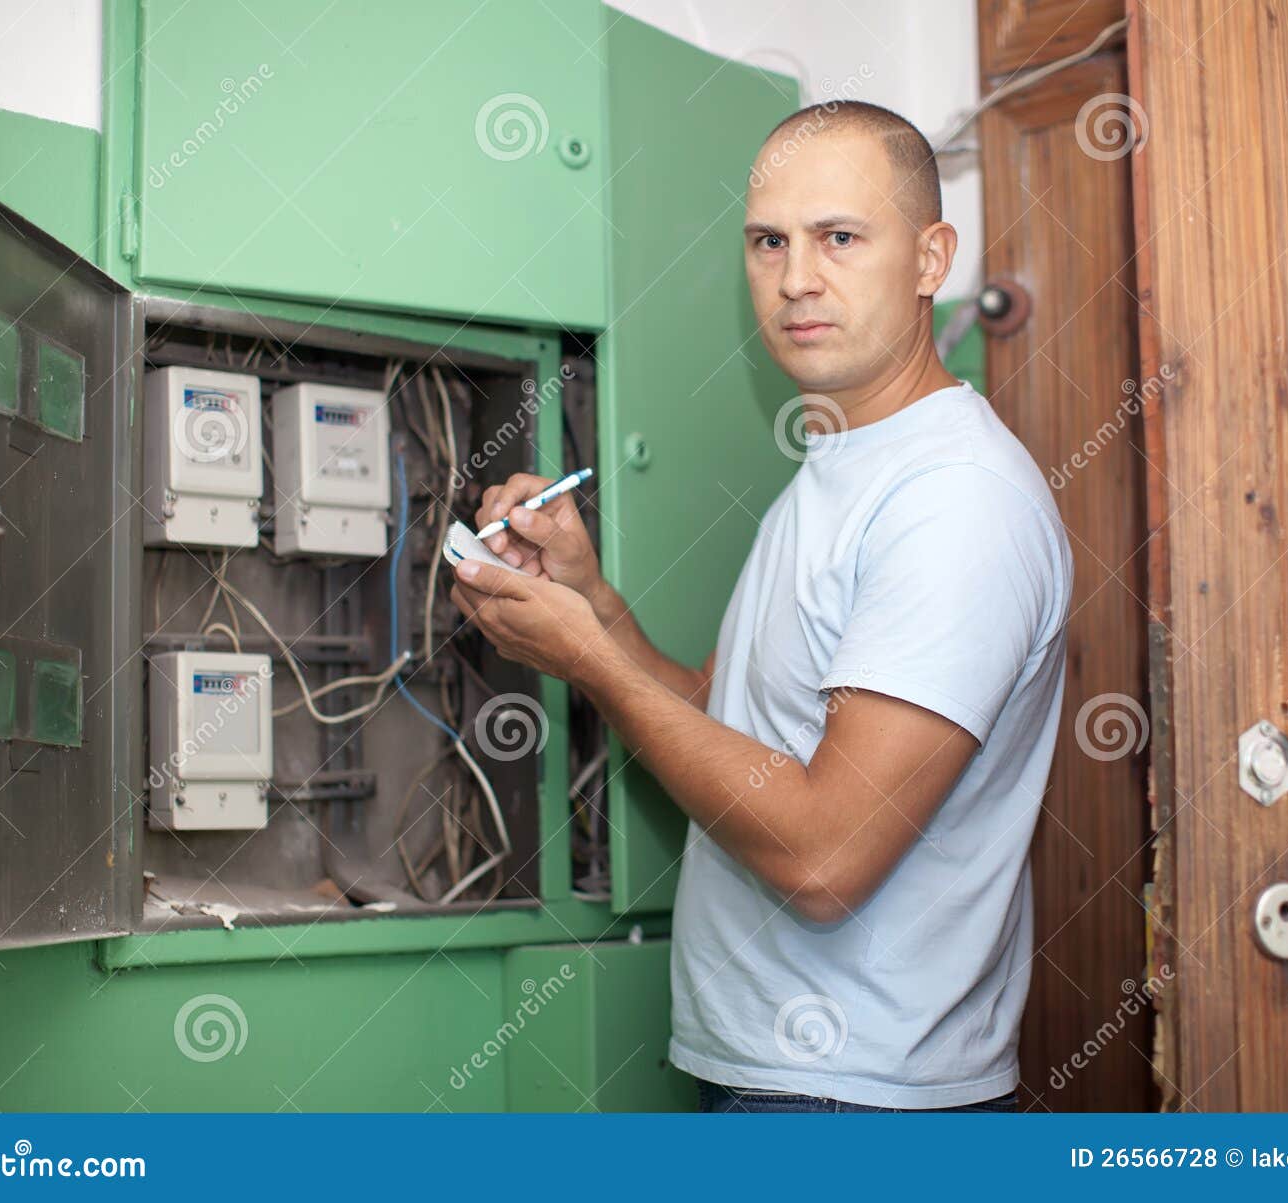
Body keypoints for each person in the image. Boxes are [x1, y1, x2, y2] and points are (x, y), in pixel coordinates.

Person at [449, 100, 1073, 1113]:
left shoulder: (956, 499)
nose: (794, 280)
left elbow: (826, 855)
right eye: (768, 242)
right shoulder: (840, 464)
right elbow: (729, 722)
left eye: (839, 238)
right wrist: (588, 602)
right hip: (774, 1078)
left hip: (861, 1102)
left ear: (930, 259)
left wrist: (589, 662)